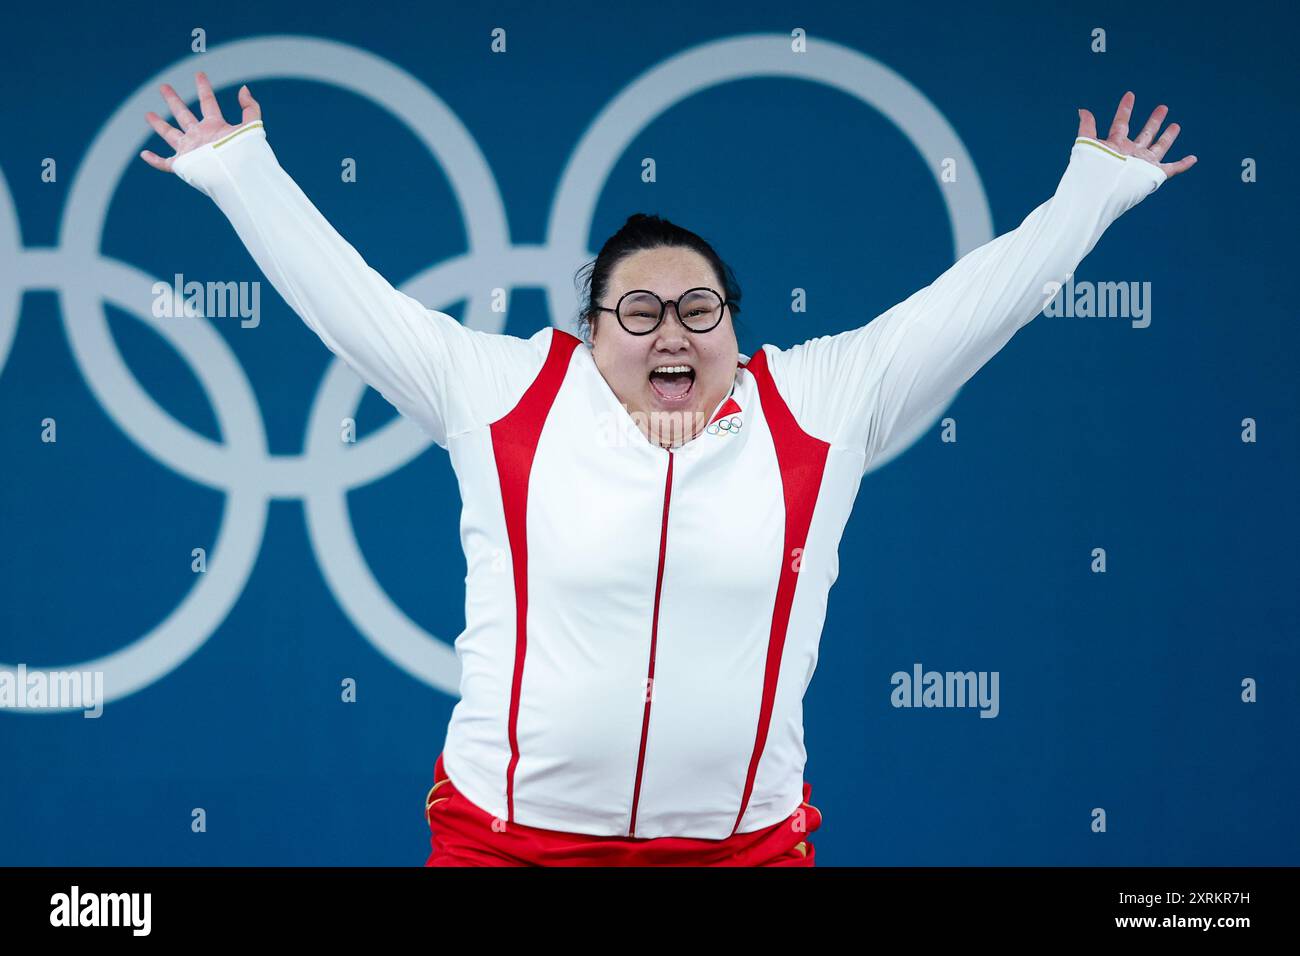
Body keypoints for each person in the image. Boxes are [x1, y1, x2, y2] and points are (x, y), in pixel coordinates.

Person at [142, 72, 1195, 866]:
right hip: (509, 843)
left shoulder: (822, 401)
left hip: (741, 845)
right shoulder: (499, 390)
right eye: (637, 312)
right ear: (591, 332)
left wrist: (1092, 192)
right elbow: (346, 297)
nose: (670, 333)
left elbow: (984, 298)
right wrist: (242, 173)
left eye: (700, 309)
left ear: (735, 327)